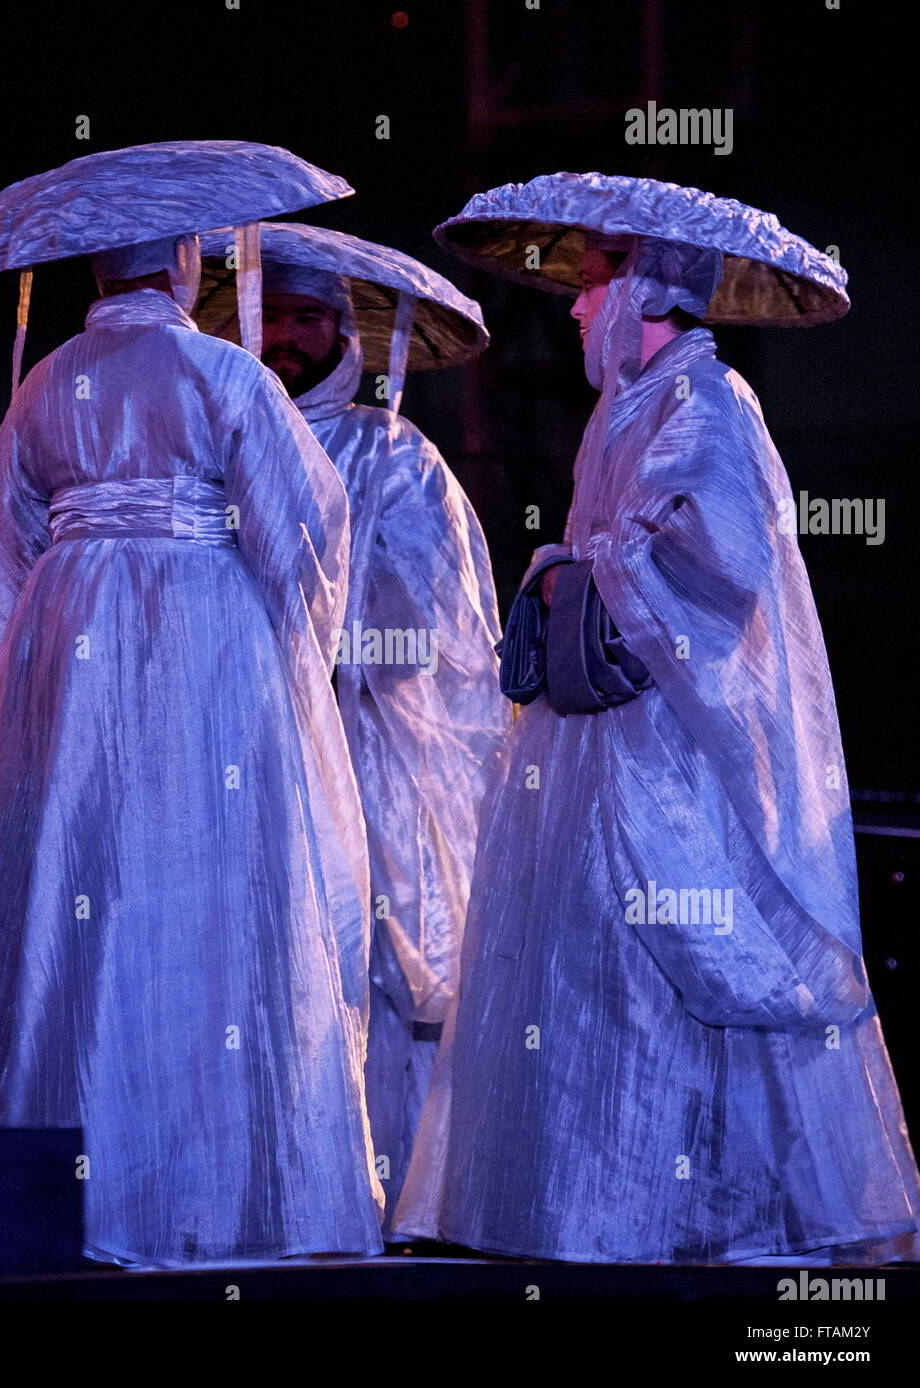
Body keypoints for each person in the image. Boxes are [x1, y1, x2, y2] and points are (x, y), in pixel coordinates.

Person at [394, 172, 920, 1264]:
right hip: (597, 737)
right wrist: (563, 571)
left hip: (664, 736)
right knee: (590, 967)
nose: (578, 306)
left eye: (594, 282)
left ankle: (702, 1216)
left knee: (680, 953)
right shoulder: (626, 409)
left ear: (648, 287)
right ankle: (586, 1206)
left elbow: (728, 560)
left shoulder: (707, 402)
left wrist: (597, 572)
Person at [0, 143, 385, 1267]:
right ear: (187, 259)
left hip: (64, 649)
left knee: (69, 881)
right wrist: (290, 660)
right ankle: (214, 1191)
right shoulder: (228, 379)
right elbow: (308, 539)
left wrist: (25, 670)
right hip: (201, 647)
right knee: (207, 893)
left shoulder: (42, 389)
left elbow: (0, 555)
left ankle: (57, 1195)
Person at [196, 225, 512, 1232]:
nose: (286, 338)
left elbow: (449, 631)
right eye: (272, 316)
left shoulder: (398, 457)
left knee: (367, 970)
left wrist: (345, 640)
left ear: (342, 332)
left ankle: (398, 1206)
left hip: (364, 760)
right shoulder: (215, 441)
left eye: (306, 318)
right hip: (240, 754)